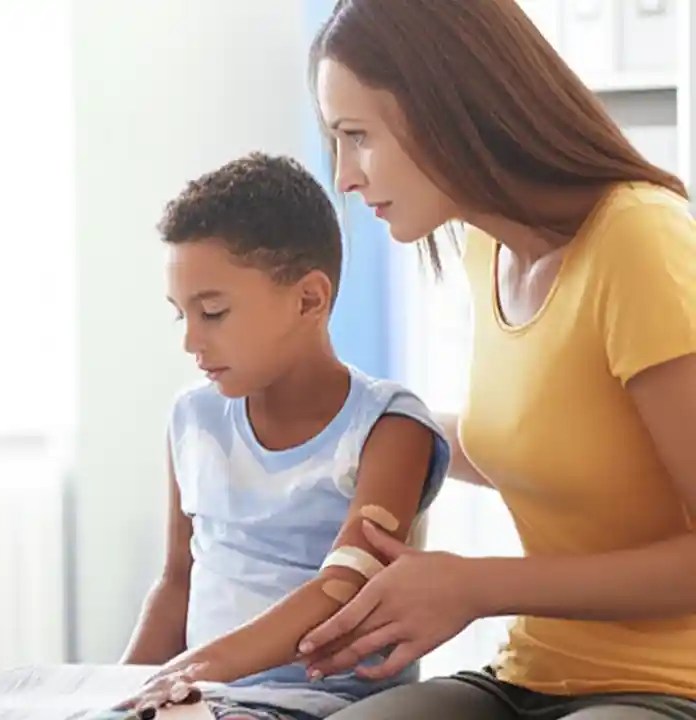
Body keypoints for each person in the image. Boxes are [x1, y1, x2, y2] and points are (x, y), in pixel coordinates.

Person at [294, 1, 696, 719]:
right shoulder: (492, 253)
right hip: (531, 677)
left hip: (670, 685)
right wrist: (351, 431)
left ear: (446, 105)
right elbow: (550, 444)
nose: (346, 177)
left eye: (358, 136)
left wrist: (475, 586)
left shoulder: (639, 241)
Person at [117, 153, 451, 719]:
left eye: (214, 313)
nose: (191, 342)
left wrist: (197, 668)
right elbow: (178, 582)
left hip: (321, 704)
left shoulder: (391, 428)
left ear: (308, 300)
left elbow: (344, 586)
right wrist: (114, 694)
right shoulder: (192, 419)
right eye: (182, 316)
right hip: (203, 700)